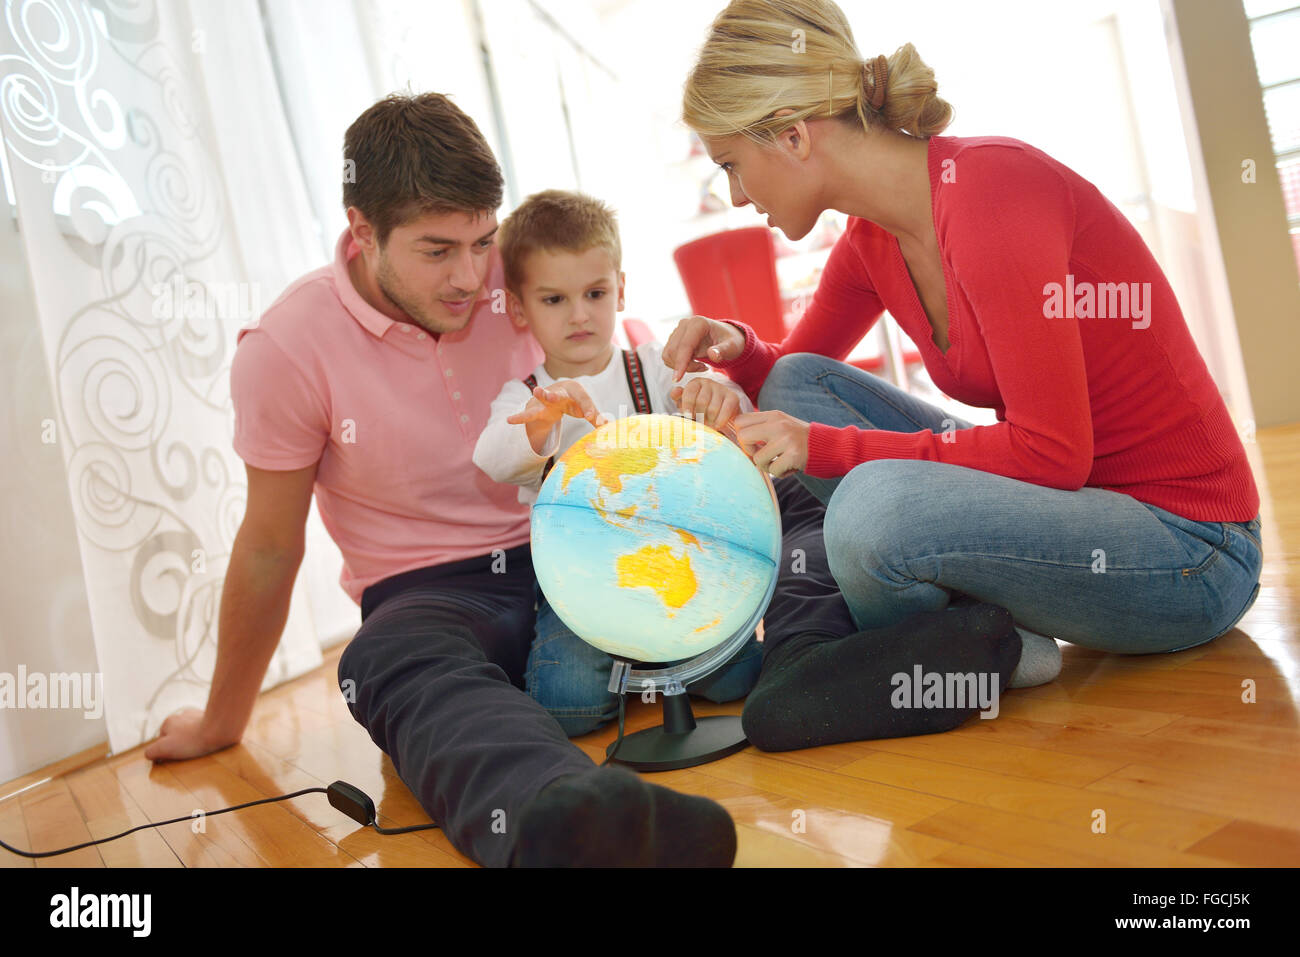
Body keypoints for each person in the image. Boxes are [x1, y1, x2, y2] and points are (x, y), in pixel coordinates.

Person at [143, 93, 738, 868]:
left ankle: (820, 659)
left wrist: (720, 360)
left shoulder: (515, 274)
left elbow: (617, 351)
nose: (469, 276)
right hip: (434, 595)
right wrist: (223, 718)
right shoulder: (285, 350)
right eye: (437, 251)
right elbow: (268, 545)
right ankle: (563, 821)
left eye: (481, 241)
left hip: (584, 539)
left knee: (772, 461)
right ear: (363, 231)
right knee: (387, 660)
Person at [663, 0, 1263, 750]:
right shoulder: (871, 240)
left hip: (1190, 547)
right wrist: (737, 347)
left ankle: (977, 649)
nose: (737, 195)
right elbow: (790, 378)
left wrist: (828, 450)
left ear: (791, 135)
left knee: (869, 513)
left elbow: (1051, 454)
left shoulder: (991, 197)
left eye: (730, 165)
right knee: (796, 389)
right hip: (1075, 508)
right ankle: (985, 644)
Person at [472, 189, 866, 736]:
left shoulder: (655, 371)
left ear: (621, 290)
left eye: (595, 292)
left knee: (734, 681)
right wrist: (543, 421)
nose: (580, 314)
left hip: (680, 572)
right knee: (570, 708)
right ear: (518, 307)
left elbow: (735, 421)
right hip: (583, 585)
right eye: (554, 300)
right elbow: (490, 456)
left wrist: (717, 402)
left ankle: (657, 657)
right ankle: (632, 658)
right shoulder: (526, 397)